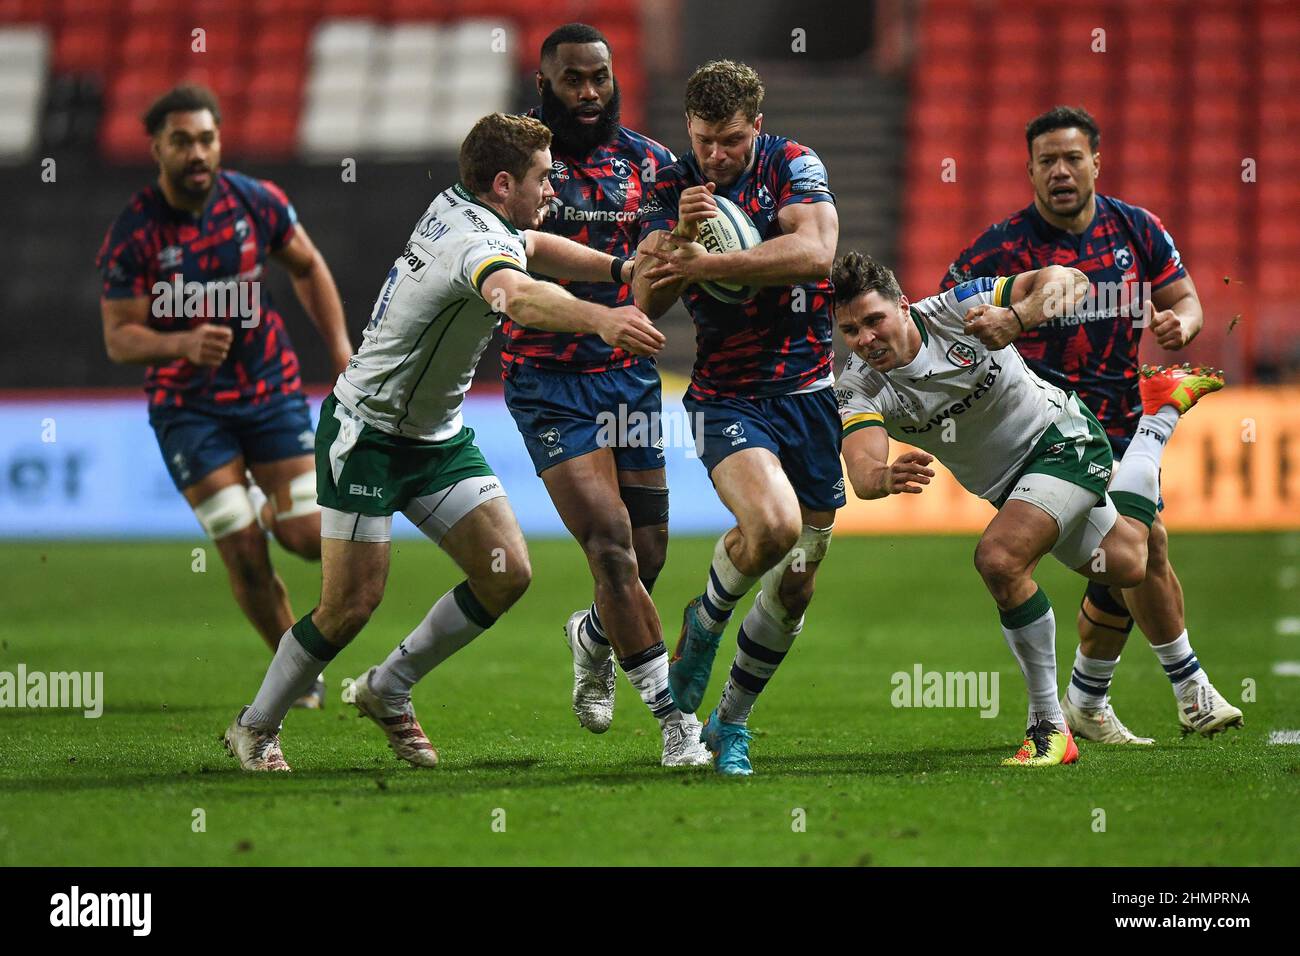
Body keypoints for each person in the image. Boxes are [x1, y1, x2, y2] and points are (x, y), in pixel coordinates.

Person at [222, 112, 665, 771]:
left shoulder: (468, 209)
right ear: (503, 183)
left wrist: (618, 266)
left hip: (435, 438)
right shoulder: (474, 245)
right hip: (367, 432)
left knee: (505, 573)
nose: (555, 190)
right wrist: (602, 316)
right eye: (544, 179)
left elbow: (531, 252)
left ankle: (389, 687)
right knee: (349, 606)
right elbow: (516, 294)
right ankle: (255, 728)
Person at [833, 252, 1226, 766]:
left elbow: (1072, 281)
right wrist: (883, 477)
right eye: (850, 329)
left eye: (873, 320)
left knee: (999, 558)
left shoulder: (958, 310)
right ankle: (1159, 413)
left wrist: (1017, 317)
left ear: (903, 307)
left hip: (1061, 440)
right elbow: (862, 470)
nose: (865, 338)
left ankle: (1048, 726)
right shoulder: (858, 384)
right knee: (1130, 561)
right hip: (1011, 487)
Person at [941, 105, 1242, 740]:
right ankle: (1189, 691)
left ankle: (1089, 700)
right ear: (1028, 171)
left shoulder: (1137, 229)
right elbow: (946, 323)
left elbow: (1185, 299)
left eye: (1072, 158)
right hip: (1044, 437)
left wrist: (1179, 325)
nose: (1060, 171)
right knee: (1142, 549)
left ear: (1095, 162)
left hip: (1118, 424)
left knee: (1121, 568)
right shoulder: (999, 250)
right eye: (1046, 161)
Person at [97, 84, 353, 709]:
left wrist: (342, 349)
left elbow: (307, 265)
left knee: (302, 535)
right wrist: (180, 345)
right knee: (240, 549)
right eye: (181, 140)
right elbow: (120, 339)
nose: (197, 152)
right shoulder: (134, 233)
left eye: (206, 138)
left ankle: (273, 510)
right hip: (189, 411)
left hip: (269, 391)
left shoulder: (254, 201)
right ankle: (294, 673)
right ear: (156, 147)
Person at [501, 24, 707, 765]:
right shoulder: (520, 172)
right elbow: (506, 273)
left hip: (626, 382)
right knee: (612, 547)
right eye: (572, 80)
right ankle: (676, 723)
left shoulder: (651, 167)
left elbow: (658, 285)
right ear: (543, 84)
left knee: (647, 555)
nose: (588, 93)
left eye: (599, 78)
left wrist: (674, 264)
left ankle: (591, 636)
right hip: (548, 384)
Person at [633, 60, 841, 775]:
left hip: (811, 394)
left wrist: (715, 262)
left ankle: (730, 724)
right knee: (775, 526)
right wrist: (668, 250)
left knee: (797, 580)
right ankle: (707, 620)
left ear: (756, 124)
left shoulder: (791, 163)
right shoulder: (669, 184)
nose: (714, 156)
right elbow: (644, 304)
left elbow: (816, 254)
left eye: (728, 140)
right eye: (702, 140)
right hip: (728, 394)